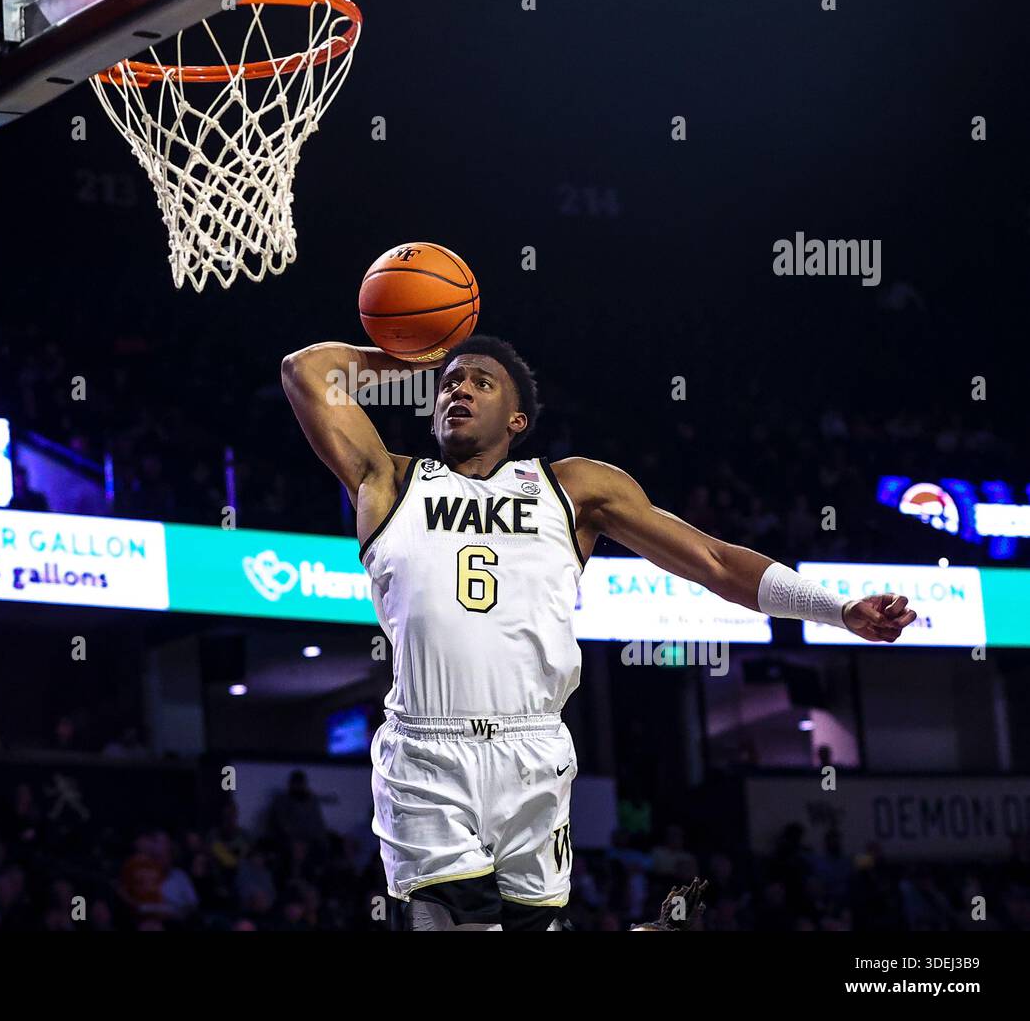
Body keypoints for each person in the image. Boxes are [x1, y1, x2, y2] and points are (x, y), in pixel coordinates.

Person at [281, 334, 916, 932]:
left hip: (533, 751)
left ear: (517, 420)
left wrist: (837, 610)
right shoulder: (389, 481)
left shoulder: (573, 488)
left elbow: (717, 562)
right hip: (425, 751)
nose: (459, 390)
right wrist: (418, 354)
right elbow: (303, 371)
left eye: (481, 381)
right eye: (449, 384)